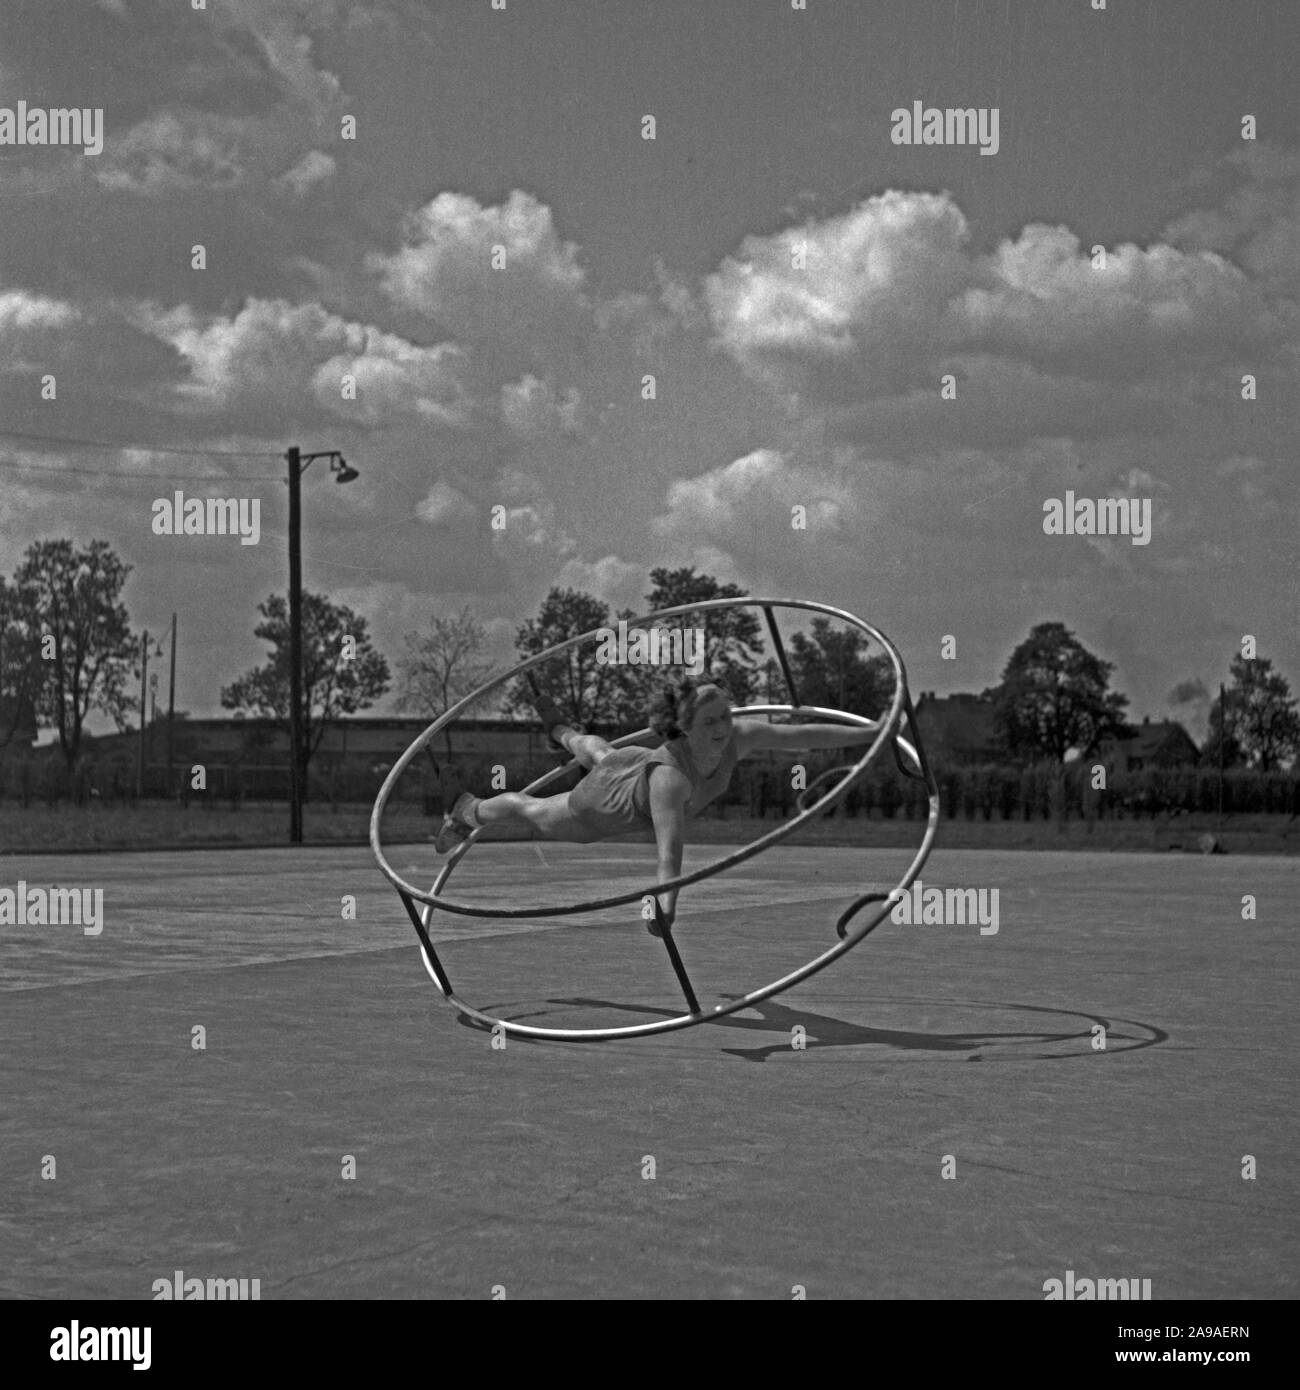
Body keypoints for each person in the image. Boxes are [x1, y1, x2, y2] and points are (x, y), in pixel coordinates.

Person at [435, 674, 878, 932]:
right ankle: (467, 809)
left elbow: (800, 736)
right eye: (710, 722)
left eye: (725, 715)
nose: (723, 728)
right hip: (599, 806)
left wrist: (871, 733)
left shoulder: (738, 738)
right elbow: (670, 851)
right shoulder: (671, 780)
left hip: (631, 764)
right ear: (685, 728)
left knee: (600, 752)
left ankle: (559, 731)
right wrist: (667, 907)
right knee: (529, 809)